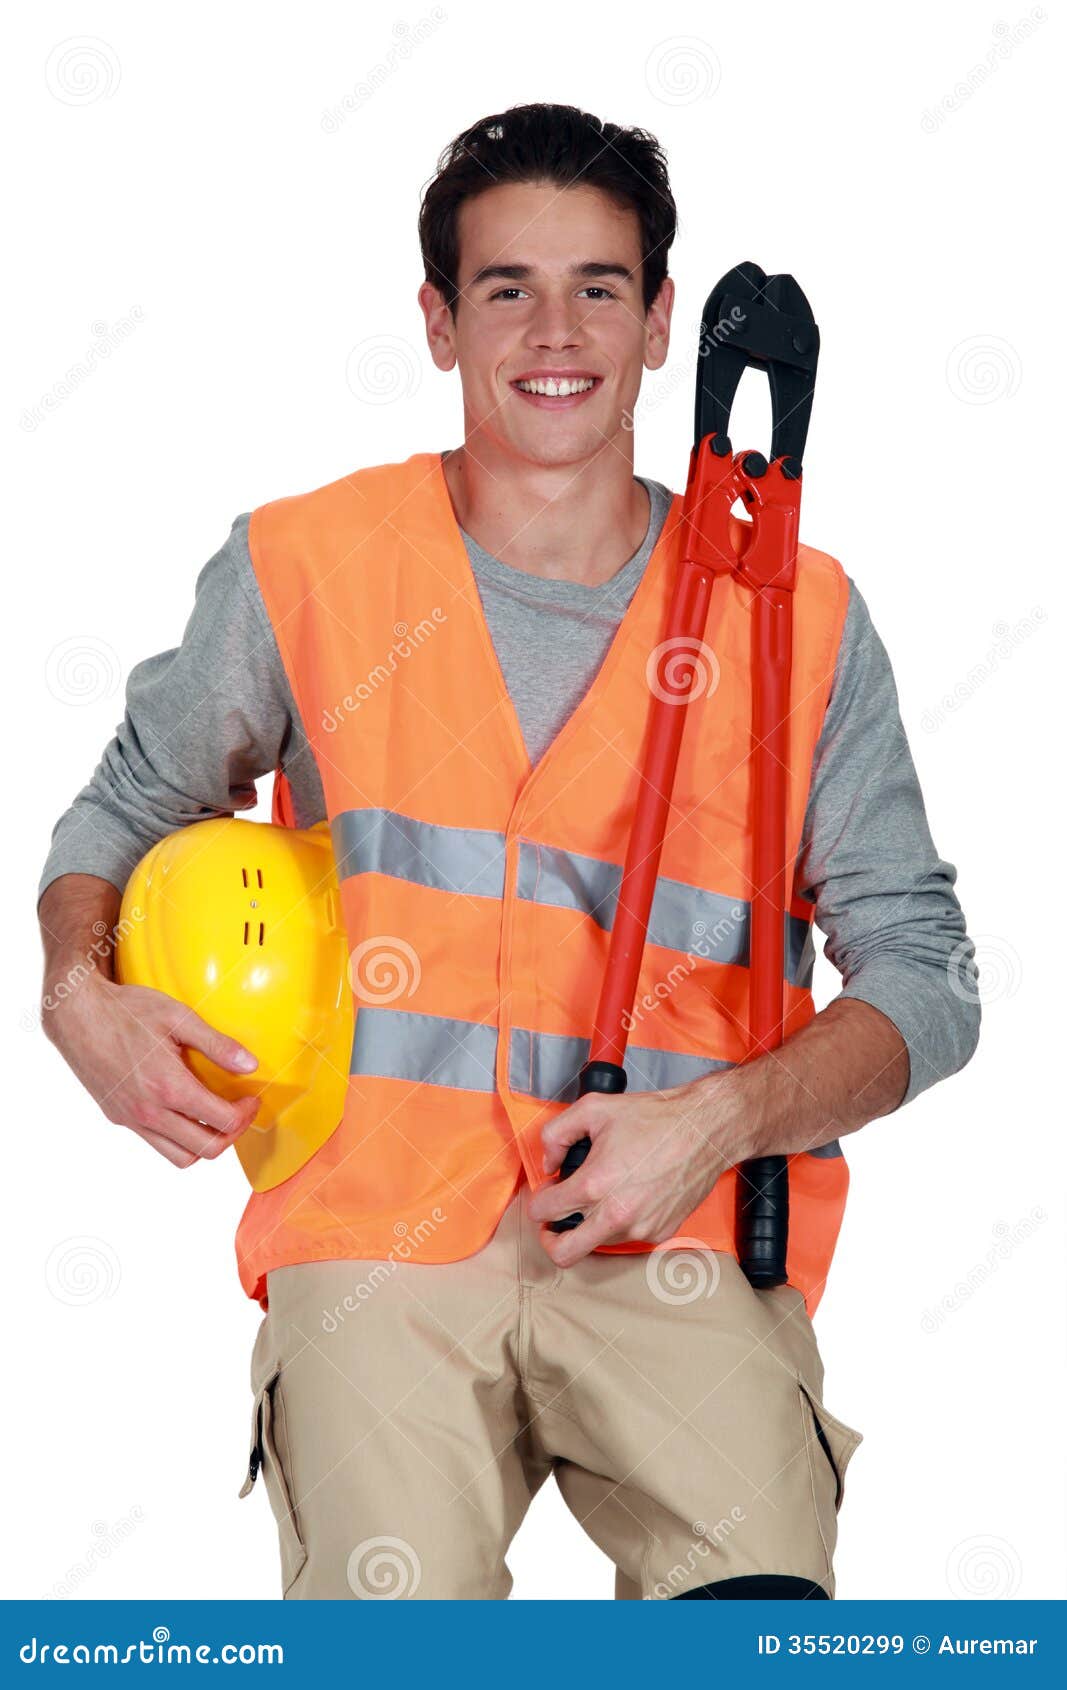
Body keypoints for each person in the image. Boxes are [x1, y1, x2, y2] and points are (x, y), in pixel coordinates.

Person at [36, 103, 980, 1601]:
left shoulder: (792, 618)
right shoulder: (308, 565)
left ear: (662, 320)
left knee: (758, 1630)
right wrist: (78, 996)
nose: (558, 330)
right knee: (394, 1632)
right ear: (437, 320)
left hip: (679, 1236)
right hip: (377, 1244)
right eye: (506, 287)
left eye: (601, 285)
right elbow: (122, 810)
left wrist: (718, 1120)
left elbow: (929, 980)